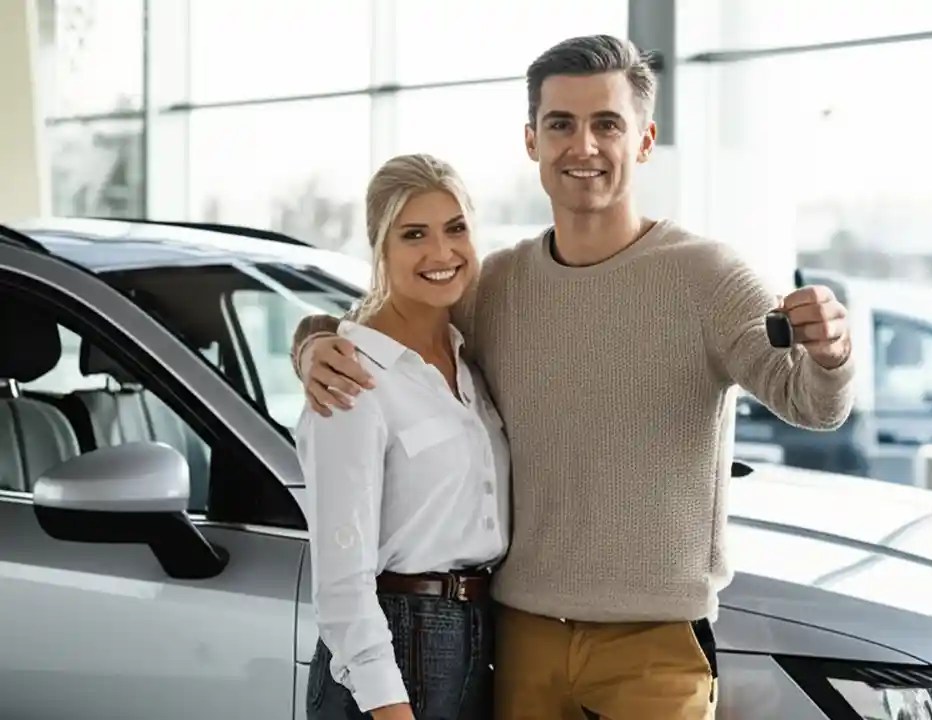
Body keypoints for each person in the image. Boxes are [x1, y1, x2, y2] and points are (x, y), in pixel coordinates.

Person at [293, 35, 855, 720]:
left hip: (653, 649)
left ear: (644, 141)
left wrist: (832, 353)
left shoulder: (707, 277)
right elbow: (396, 318)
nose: (581, 146)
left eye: (606, 124)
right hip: (517, 640)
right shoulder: (495, 284)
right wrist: (313, 340)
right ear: (532, 140)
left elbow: (809, 402)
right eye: (561, 124)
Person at [297, 153, 509, 720]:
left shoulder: (468, 362)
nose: (441, 253)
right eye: (414, 234)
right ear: (380, 249)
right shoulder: (351, 378)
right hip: (397, 646)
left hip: (480, 637)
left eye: (455, 229)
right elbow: (342, 582)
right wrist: (387, 705)